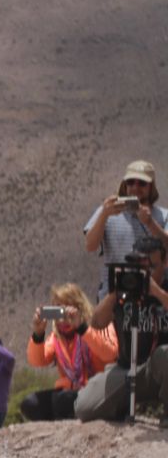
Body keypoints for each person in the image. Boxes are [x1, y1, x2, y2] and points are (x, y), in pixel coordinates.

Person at [74, 236, 168, 422]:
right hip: (127, 368)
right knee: (84, 408)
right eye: (142, 267)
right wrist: (115, 294)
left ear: (165, 263)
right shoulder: (124, 289)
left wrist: (157, 292)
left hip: (159, 370)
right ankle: (124, 404)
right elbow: (97, 322)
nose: (146, 273)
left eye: (152, 267)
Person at [22, 283, 118, 420]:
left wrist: (82, 329)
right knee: (30, 404)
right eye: (57, 311)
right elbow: (37, 361)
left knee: (63, 401)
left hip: (98, 389)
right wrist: (38, 334)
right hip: (68, 390)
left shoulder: (99, 324)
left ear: (79, 307)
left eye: (66, 310)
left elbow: (110, 354)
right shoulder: (57, 337)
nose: (62, 318)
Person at [84, 160, 168, 302]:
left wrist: (150, 223)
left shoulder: (163, 216)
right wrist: (104, 215)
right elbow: (90, 246)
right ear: (124, 184)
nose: (135, 187)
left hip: (153, 298)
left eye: (142, 183)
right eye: (131, 182)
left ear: (151, 187)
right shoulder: (107, 211)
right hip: (113, 297)